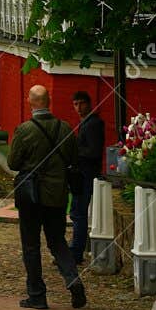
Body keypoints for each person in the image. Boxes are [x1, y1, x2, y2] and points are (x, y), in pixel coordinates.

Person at [8, 85, 87, 310]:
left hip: (31, 196)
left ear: (31, 102)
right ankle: (73, 279)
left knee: (31, 245)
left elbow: (13, 163)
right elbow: (73, 159)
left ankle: (37, 295)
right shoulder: (65, 128)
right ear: (49, 101)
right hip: (57, 194)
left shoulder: (25, 130)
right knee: (57, 241)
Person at [68, 90, 106, 265]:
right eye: (75, 104)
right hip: (81, 174)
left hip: (86, 174)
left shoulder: (93, 123)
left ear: (89, 104)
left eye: (81, 103)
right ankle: (75, 249)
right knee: (77, 212)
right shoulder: (86, 123)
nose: (78, 107)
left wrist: (74, 151)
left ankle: (76, 251)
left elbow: (93, 151)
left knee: (79, 213)